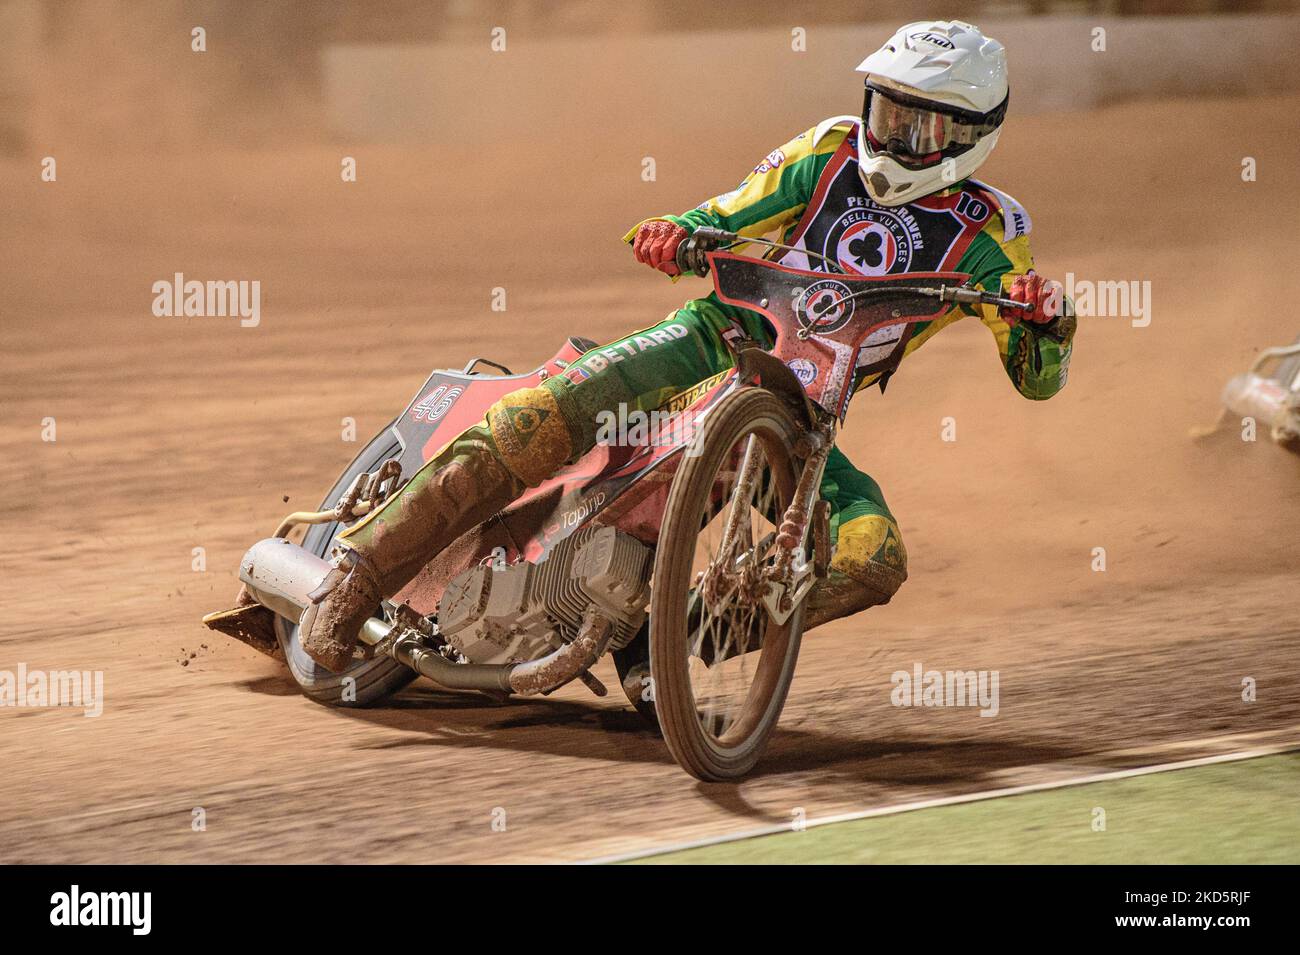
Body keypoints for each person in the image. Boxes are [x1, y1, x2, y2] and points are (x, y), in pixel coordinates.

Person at [299, 19, 1076, 672]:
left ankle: (671, 642)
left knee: (874, 553)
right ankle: (358, 578)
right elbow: (726, 211)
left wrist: (1049, 323)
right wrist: (676, 233)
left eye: (922, 125)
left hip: (797, 422)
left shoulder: (991, 235)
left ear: (971, 135)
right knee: (549, 412)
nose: (894, 136)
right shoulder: (829, 150)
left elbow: (1037, 378)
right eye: (887, 111)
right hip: (710, 340)